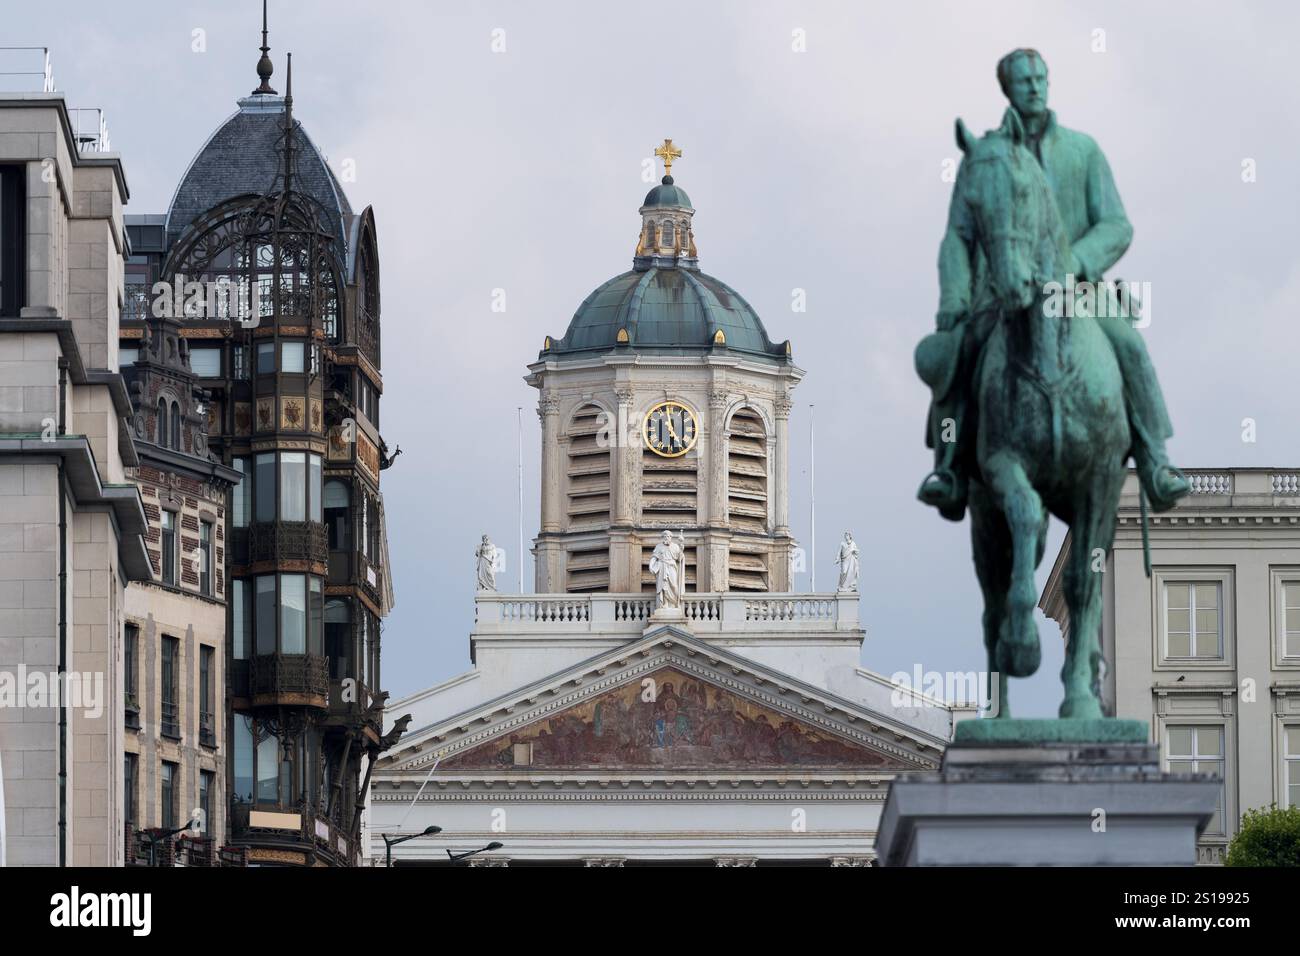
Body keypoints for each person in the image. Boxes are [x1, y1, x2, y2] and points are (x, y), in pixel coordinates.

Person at [917, 48, 1189, 521]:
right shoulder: (984, 157)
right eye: (1024, 81)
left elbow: (1116, 224)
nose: (1035, 87)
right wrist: (955, 298)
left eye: (1041, 78)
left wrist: (1076, 262)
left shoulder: (1083, 151)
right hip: (1001, 296)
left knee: (1129, 343)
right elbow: (957, 237)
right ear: (1007, 89)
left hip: (1075, 291)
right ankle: (948, 466)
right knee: (955, 363)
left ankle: (1155, 458)